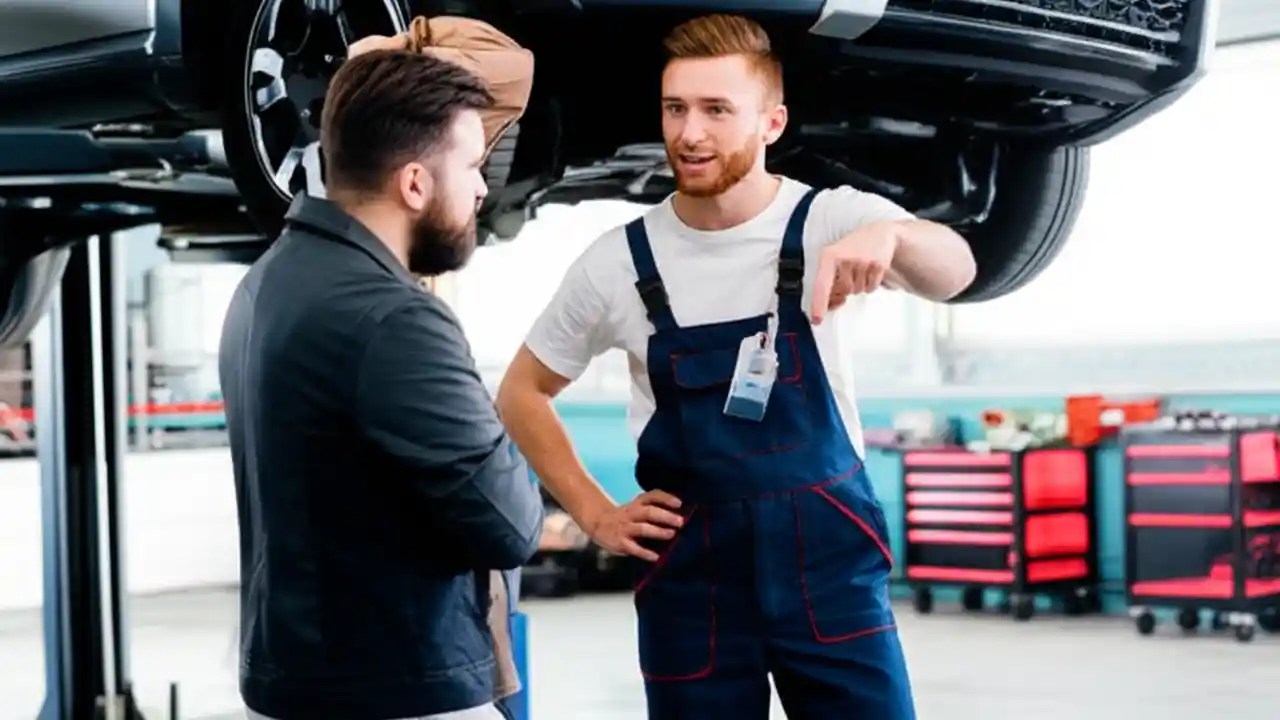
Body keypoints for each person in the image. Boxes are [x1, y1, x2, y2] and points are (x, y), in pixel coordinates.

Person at [495, 13, 976, 720]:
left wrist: (895, 232)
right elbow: (521, 391)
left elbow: (957, 272)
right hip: (695, 581)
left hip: (827, 567)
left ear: (771, 123)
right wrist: (595, 514)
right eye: (676, 108)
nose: (690, 134)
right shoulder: (617, 264)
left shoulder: (826, 220)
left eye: (717, 111)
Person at [218, 47, 543, 720]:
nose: (484, 189)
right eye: (474, 166)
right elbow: (510, 523)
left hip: (303, 680)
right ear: (416, 183)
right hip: (398, 691)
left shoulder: (268, 283)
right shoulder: (394, 320)